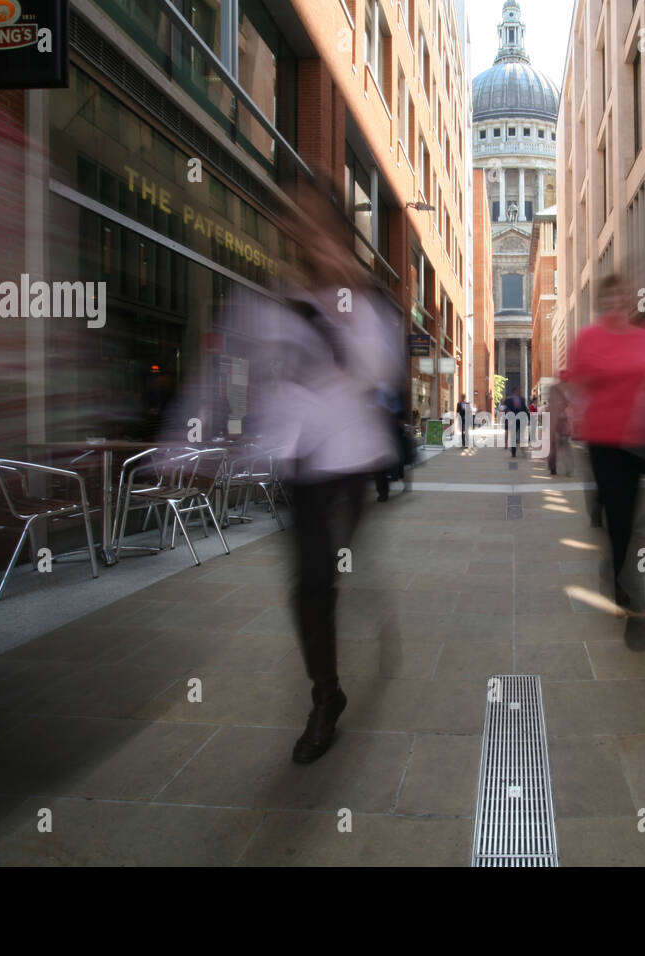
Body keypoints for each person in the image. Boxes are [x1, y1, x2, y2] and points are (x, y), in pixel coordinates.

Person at [251, 180, 401, 765]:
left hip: (351, 459)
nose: (309, 234)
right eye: (301, 223)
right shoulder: (283, 298)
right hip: (301, 460)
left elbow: (381, 373)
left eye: (319, 223)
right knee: (308, 585)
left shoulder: (359, 299)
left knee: (325, 573)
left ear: (337, 232)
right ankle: (327, 692)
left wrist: (346, 301)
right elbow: (259, 368)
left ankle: (326, 691)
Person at [561, 274, 645, 646]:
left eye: (622, 296)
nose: (616, 302)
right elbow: (575, 383)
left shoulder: (643, 339)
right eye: (609, 297)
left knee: (631, 525)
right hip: (604, 442)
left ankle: (617, 574)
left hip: (639, 441)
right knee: (621, 523)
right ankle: (637, 607)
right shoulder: (589, 338)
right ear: (601, 302)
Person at [503, 387, 528, 457]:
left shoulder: (522, 399)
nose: (519, 392)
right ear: (514, 392)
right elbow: (506, 409)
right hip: (512, 420)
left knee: (522, 435)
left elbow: (525, 409)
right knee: (513, 436)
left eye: (519, 391)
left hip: (521, 420)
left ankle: (522, 448)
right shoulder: (508, 400)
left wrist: (528, 418)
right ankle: (513, 451)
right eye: (518, 391)